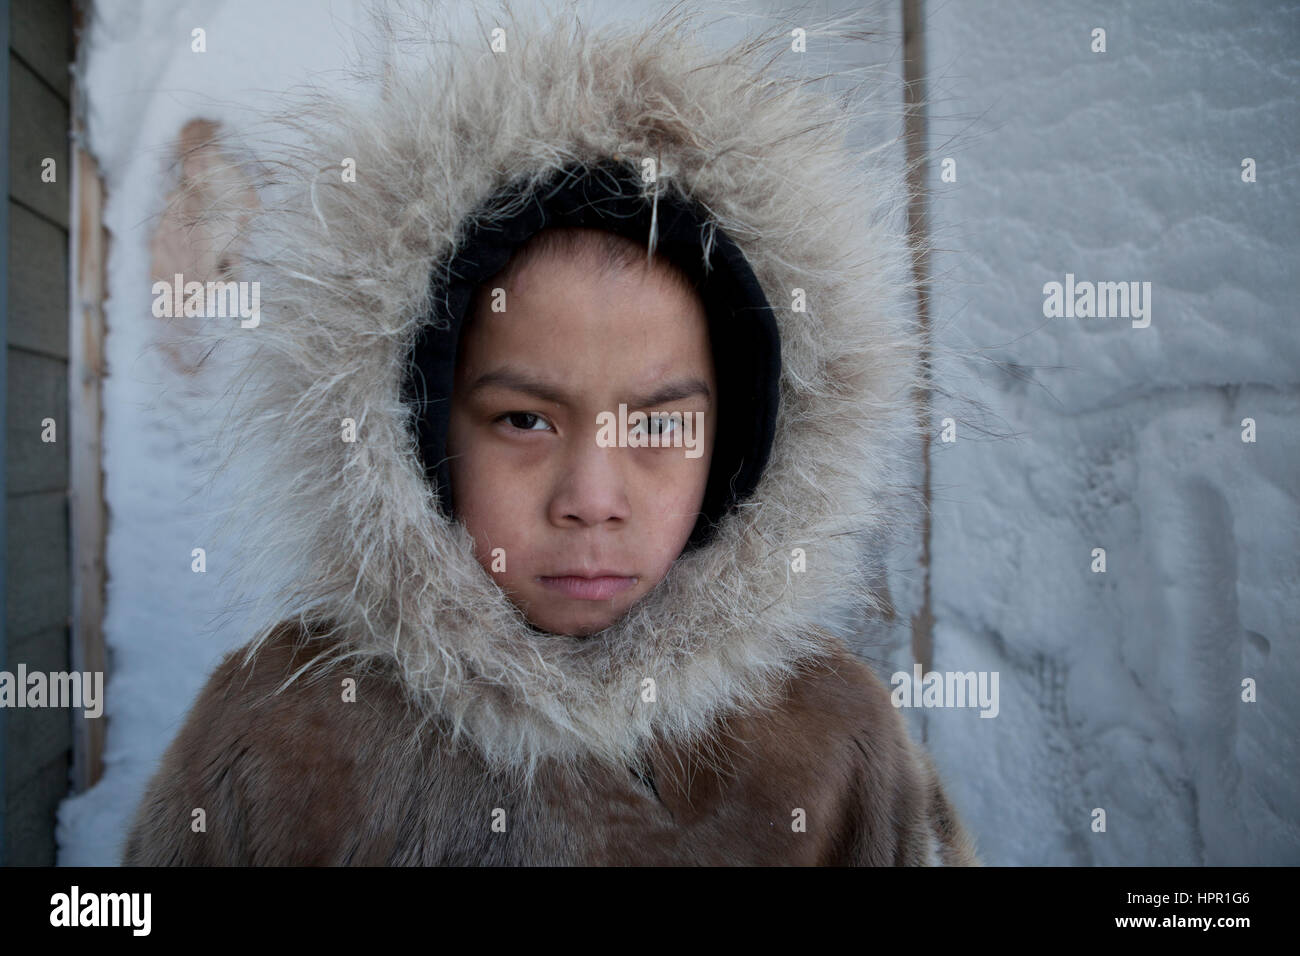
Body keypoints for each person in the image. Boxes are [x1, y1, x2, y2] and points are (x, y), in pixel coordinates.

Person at [123, 3, 980, 866]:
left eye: (659, 423)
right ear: (415, 437)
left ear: (741, 442)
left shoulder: (836, 747)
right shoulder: (278, 737)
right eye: (525, 420)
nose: (592, 501)